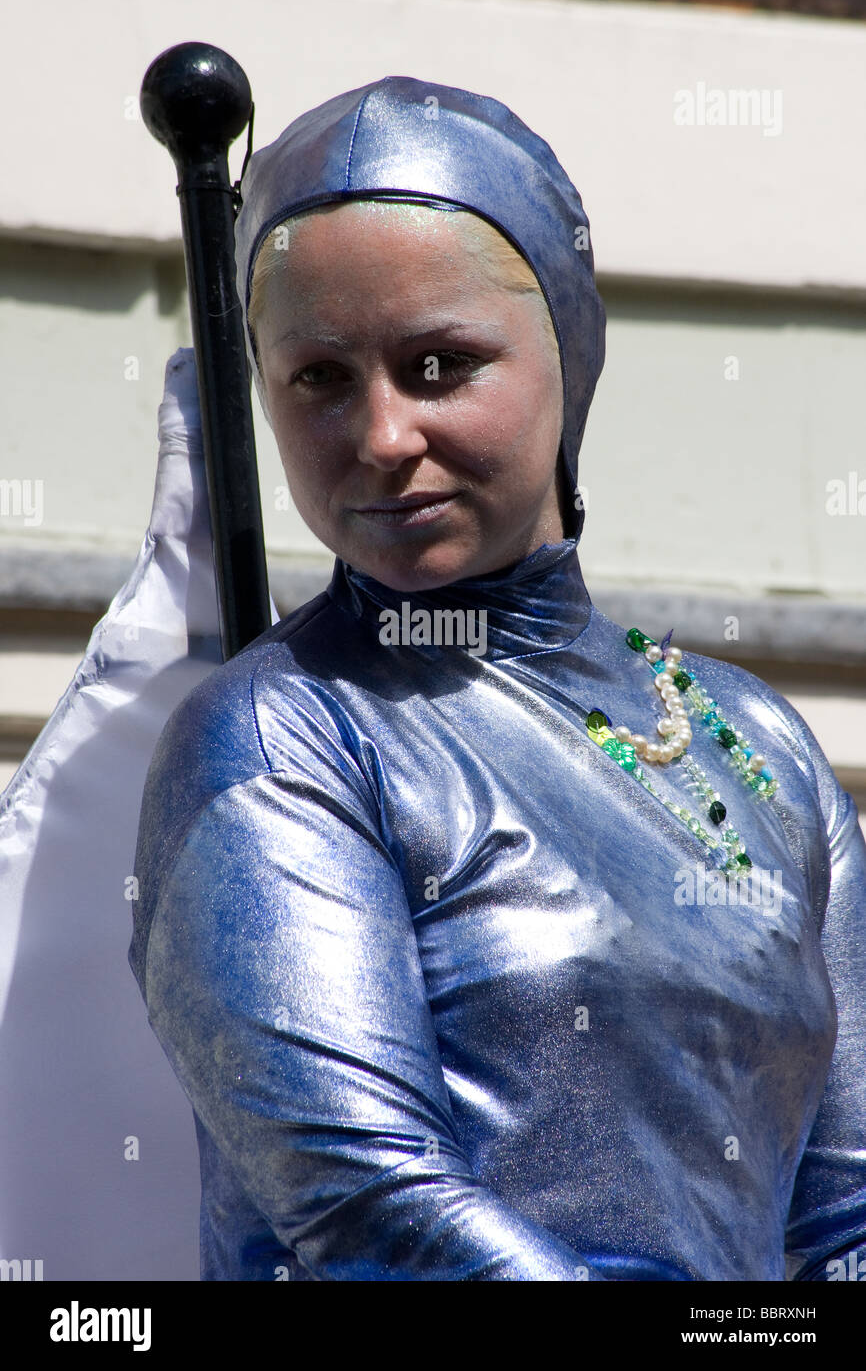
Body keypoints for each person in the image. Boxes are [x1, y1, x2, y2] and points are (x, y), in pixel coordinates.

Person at [129, 76, 866, 1281]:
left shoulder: (758, 746)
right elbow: (370, 1206)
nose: (379, 437)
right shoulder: (274, 733)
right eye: (317, 378)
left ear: (565, 363)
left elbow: (842, 1213)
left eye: (436, 366)